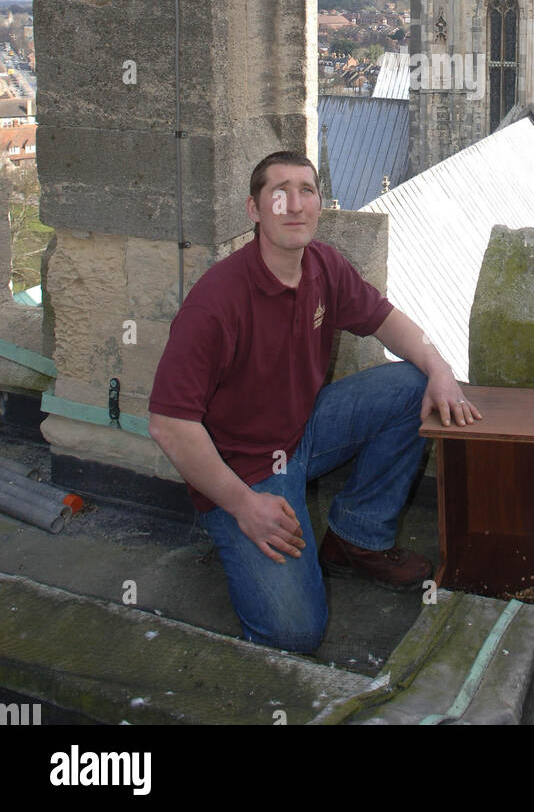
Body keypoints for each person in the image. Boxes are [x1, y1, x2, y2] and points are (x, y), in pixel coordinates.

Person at [148, 149, 481, 654]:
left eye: (306, 191)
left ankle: (357, 538)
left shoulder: (323, 267)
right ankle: (238, 532)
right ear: (254, 210)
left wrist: (441, 370)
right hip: (244, 470)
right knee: (294, 633)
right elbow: (169, 424)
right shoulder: (216, 302)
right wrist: (243, 505)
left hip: (305, 431)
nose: (294, 204)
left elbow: (388, 321)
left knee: (413, 385)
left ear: (319, 205)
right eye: (278, 192)